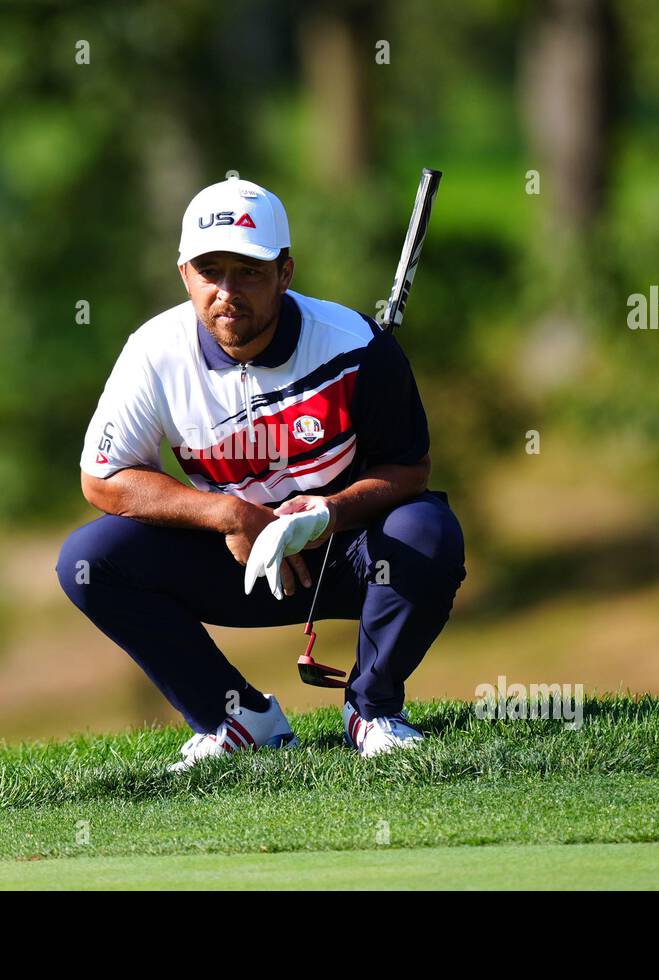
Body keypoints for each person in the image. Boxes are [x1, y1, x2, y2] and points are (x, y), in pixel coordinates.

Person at [56, 177, 466, 771]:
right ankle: (235, 718)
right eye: (210, 270)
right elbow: (103, 480)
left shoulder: (355, 344)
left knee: (429, 534)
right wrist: (229, 513)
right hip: (238, 562)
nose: (227, 291)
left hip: (347, 555)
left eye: (248, 271)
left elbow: (409, 469)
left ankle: (372, 709)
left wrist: (331, 512)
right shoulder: (153, 353)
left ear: (285, 273)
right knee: (89, 560)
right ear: (184, 274)